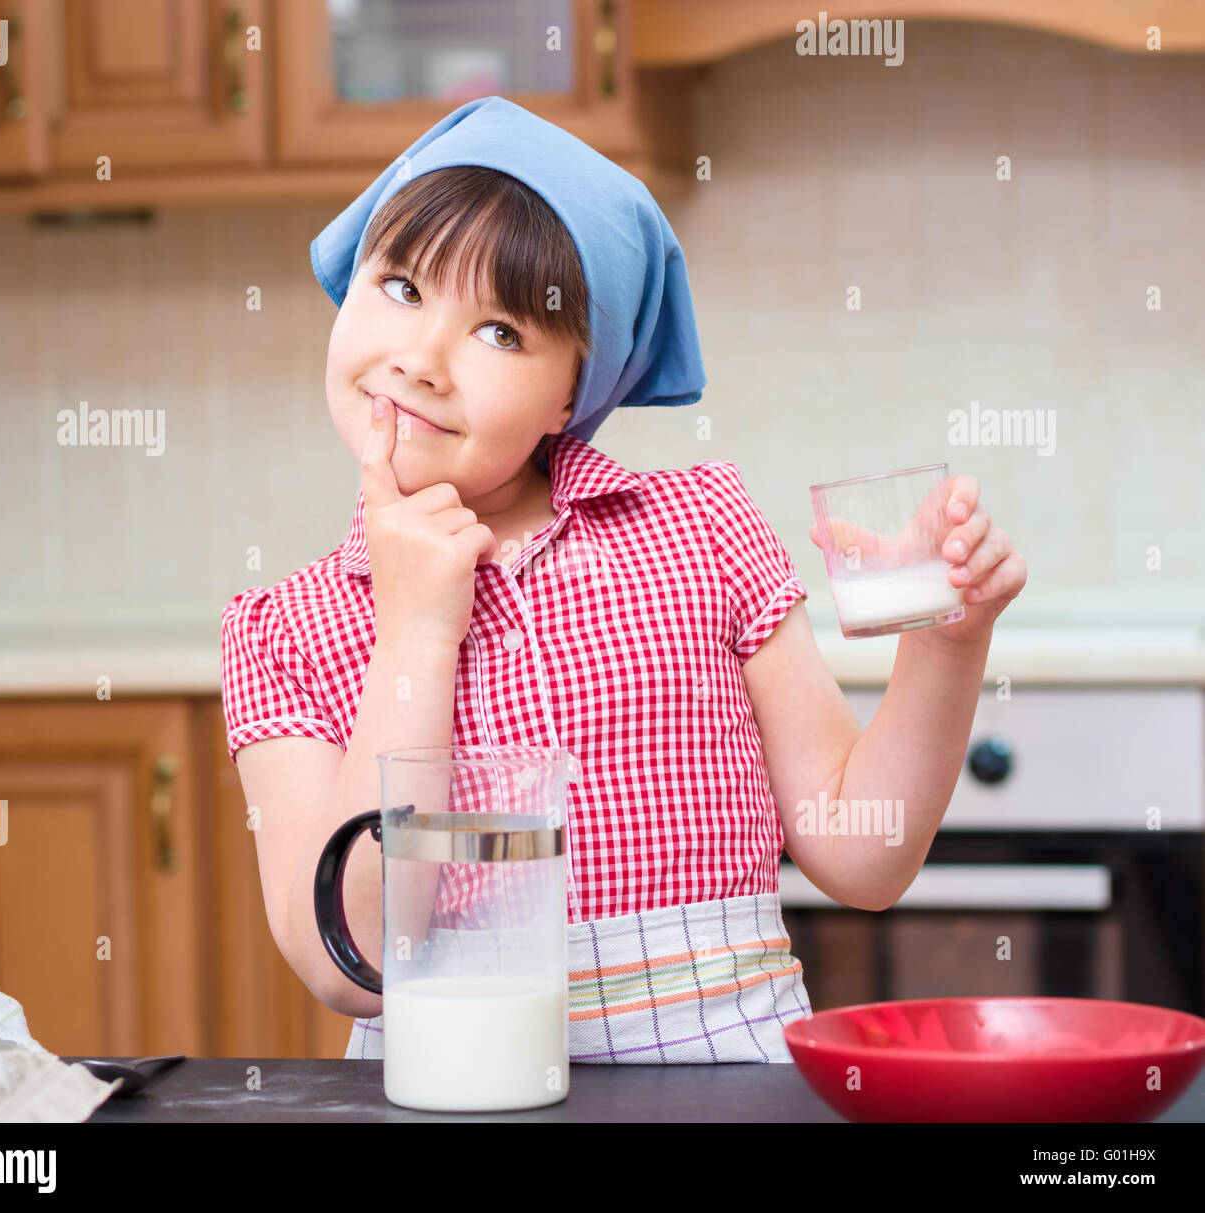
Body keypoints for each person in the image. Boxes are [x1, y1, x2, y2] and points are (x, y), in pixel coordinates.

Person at [220, 96, 1027, 1064]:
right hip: (453, 1093)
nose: (422, 359)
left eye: (501, 332)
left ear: (575, 389)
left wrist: (944, 644)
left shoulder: (702, 532)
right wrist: (416, 635)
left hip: (723, 1091)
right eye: (399, 287)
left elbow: (860, 857)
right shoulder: (283, 629)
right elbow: (346, 962)